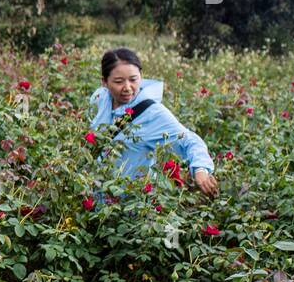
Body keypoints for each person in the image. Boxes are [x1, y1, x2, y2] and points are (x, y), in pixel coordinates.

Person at [91, 46, 218, 197]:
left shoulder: (152, 113)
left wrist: (200, 169)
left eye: (133, 79)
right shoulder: (100, 98)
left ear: (141, 76)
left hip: (128, 205)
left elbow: (189, 140)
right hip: (95, 198)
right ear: (104, 82)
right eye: (118, 81)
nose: (127, 88)